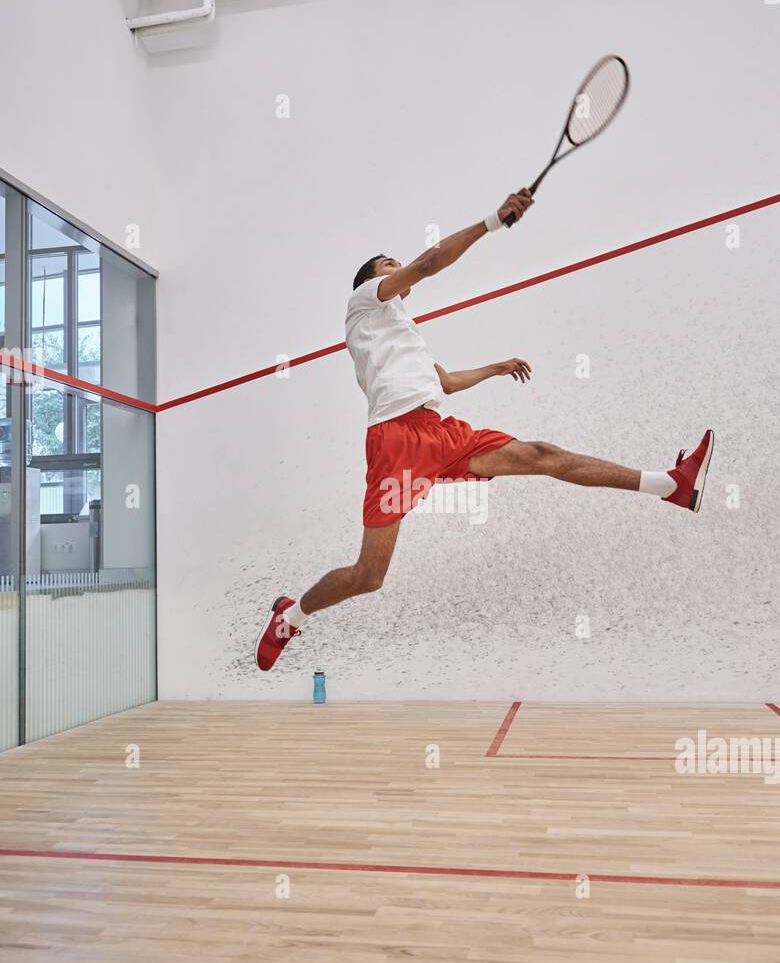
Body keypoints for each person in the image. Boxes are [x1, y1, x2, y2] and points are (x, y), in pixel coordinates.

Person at [255, 189, 713, 670]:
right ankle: (294, 614)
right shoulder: (364, 303)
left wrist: (495, 368)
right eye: (390, 263)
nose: (400, 266)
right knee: (370, 576)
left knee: (542, 455)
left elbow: (447, 382)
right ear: (373, 278)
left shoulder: (400, 333)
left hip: (441, 433)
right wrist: (494, 221)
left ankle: (670, 486)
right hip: (396, 441)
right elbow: (430, 262)